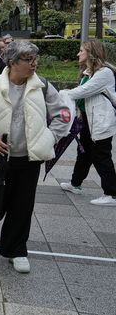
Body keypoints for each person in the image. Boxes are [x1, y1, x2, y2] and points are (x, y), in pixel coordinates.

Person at [0, 41, 71, 273]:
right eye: (28, 60)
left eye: (35, 59)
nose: (34, 64)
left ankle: (16, 250)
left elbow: (62, 116)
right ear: (13, 62)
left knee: (22, 205)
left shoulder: (43, 86)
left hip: (29, 158)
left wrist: (49, 138)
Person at [59, 40, 116, 206]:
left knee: (101, 156)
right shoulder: (89, 72)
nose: (78, 54)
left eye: (81, 51)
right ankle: (75, 184)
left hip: (100, 121)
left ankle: (112, 194)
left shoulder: (104, 73)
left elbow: (84, 91)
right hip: (87, 121)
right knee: (84, 154)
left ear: (91, 53)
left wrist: (62, 93)